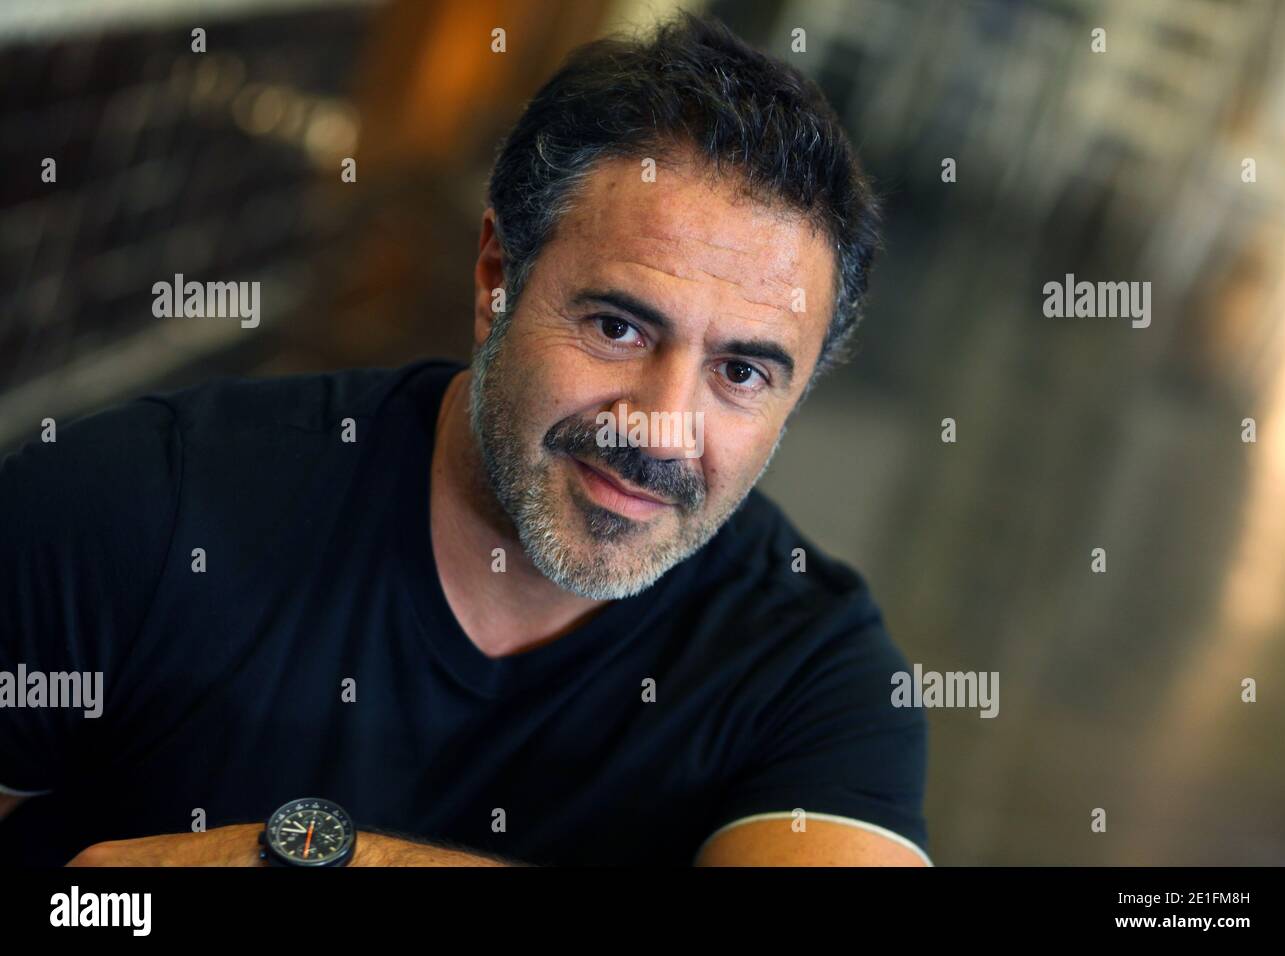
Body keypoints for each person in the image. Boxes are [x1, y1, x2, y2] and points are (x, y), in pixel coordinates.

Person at [0, 12, 930, 867]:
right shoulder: (137, 508)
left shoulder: (813, 671)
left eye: (742, 373)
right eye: (619, 327)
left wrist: (334, 862)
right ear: (497, 276)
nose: (662, 425)